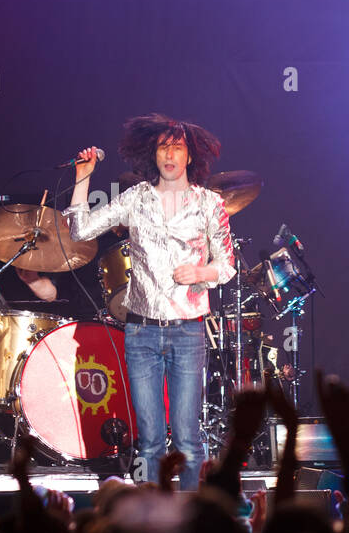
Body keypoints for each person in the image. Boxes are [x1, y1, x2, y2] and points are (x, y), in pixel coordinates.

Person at [64, 113, 235, 490]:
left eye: (177, 148)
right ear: (153, 155)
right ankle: (150, 521)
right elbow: (80, 230)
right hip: (141, 331)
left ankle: (193, 518)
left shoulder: (209, 204)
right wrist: (83, 177)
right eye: (163, 148)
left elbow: (227, 266)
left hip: (188, 331)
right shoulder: (137, 198)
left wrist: (201, 273)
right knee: (151, 439)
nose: (170, 155)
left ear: (189, 156)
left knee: (188, 437)